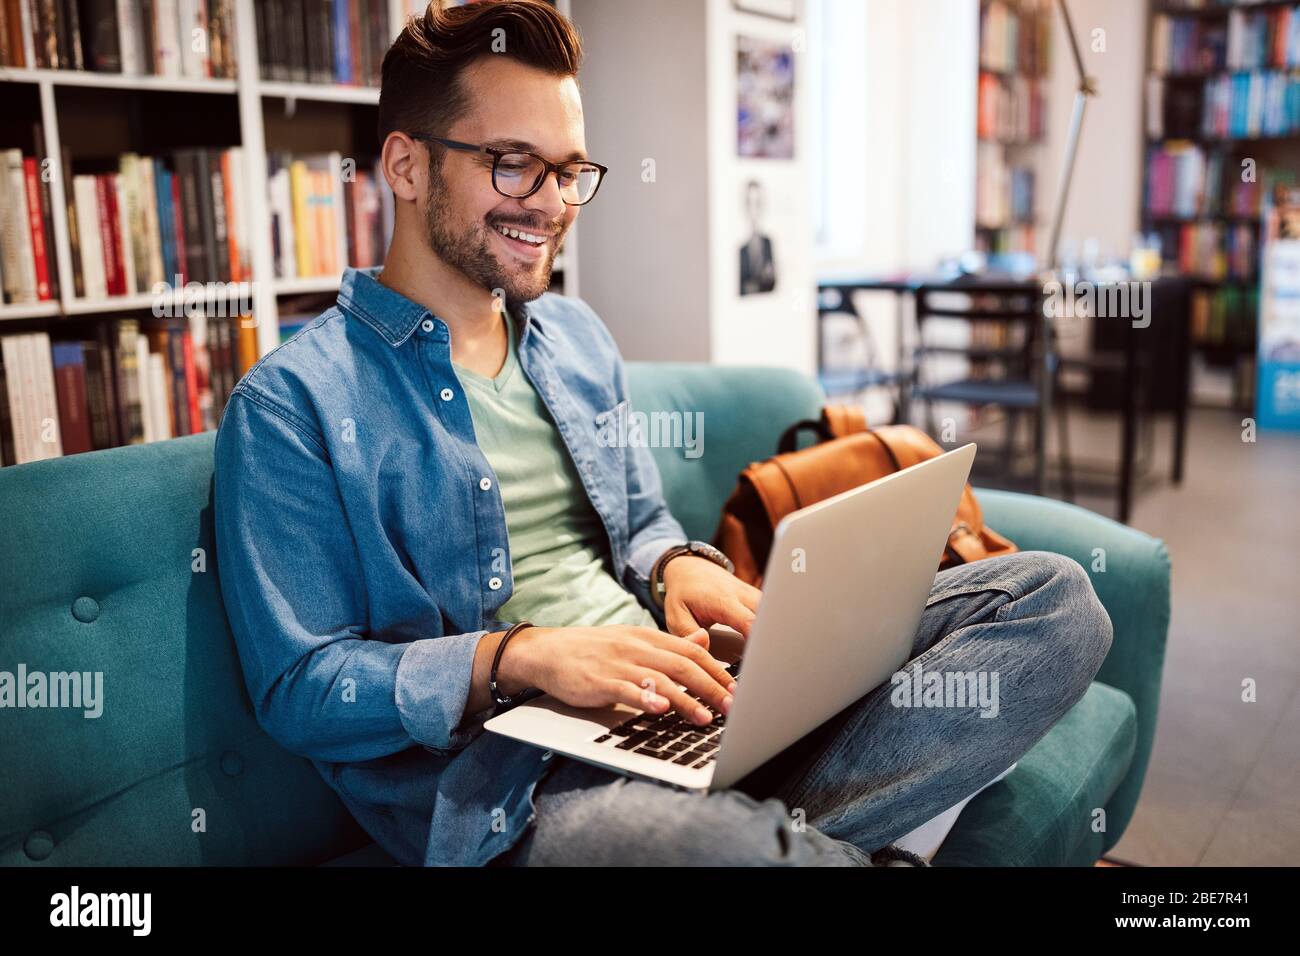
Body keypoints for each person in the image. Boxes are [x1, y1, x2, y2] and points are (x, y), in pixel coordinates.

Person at [213, 0, 1112, 867]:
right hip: (516, 786)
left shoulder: (575, 340)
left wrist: (677, 567)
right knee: (723, 850)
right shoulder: (292, 405)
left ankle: (788, 833)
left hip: (682, 695)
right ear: (406, 167)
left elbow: (641, 523)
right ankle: (804, 836)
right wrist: (519, 657)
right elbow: (301, 687)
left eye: (569, 171)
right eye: (514, 163)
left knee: (1053, 601)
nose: (552, 204)